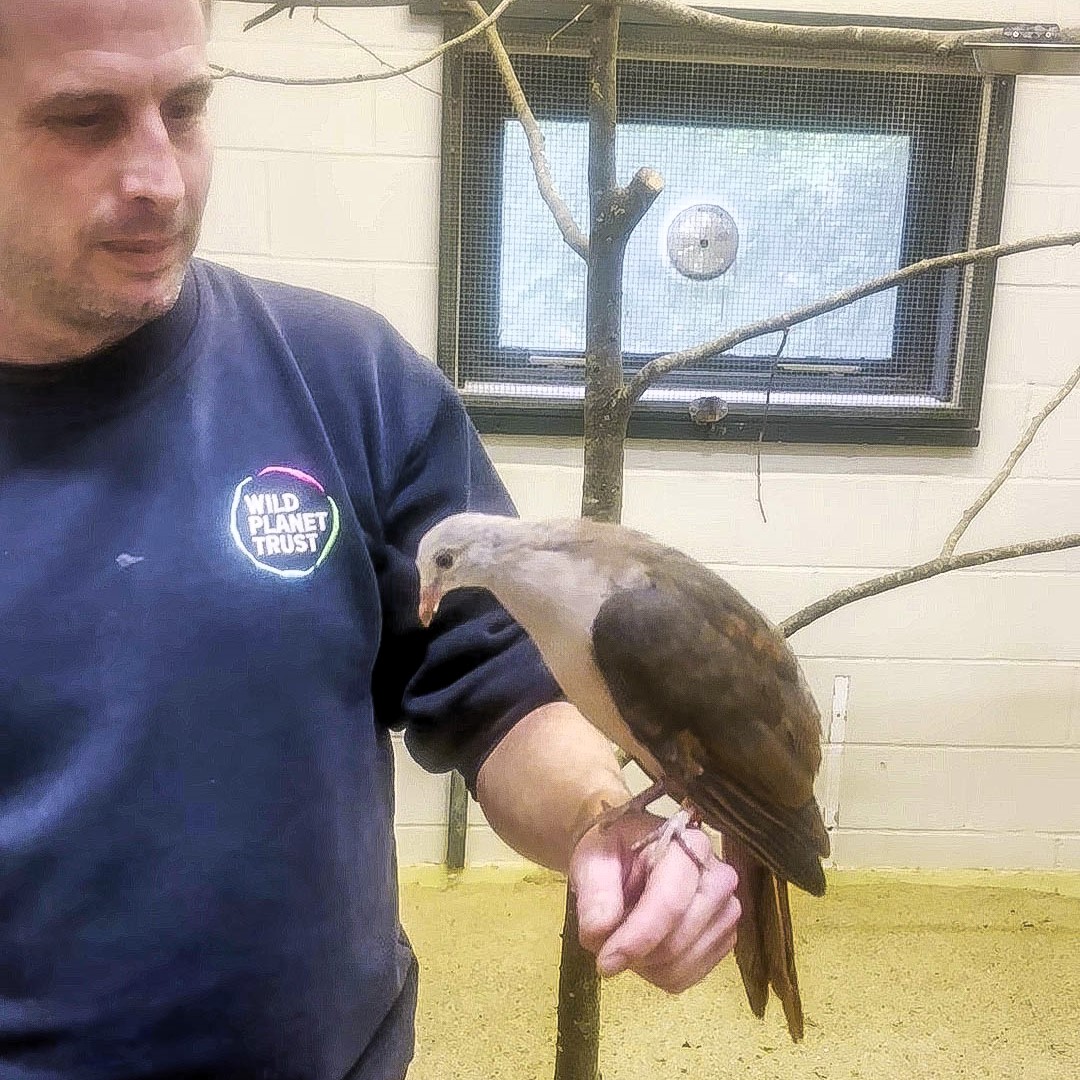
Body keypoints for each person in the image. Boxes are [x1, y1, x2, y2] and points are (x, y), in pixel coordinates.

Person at [0, 1, 741, 1077]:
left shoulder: (346, 378)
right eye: (85, 119)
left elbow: (499, 691)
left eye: (187, 106)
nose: (161, 176)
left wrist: (603, 823)